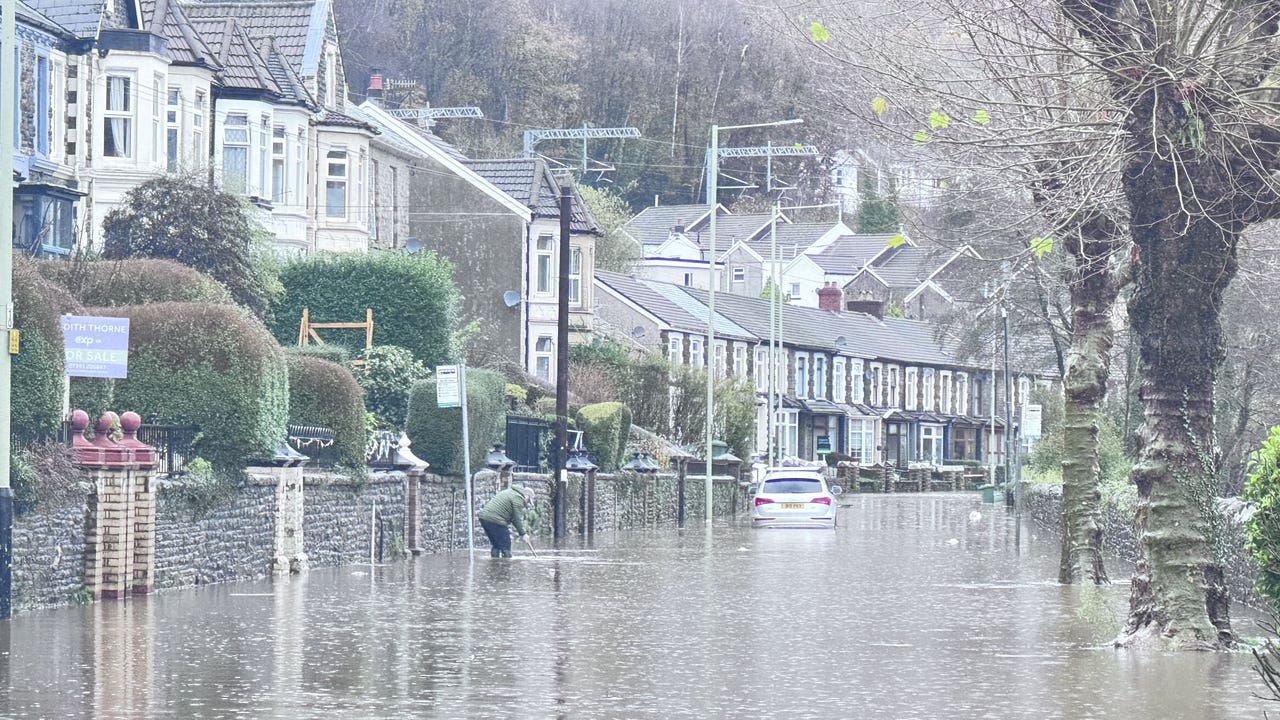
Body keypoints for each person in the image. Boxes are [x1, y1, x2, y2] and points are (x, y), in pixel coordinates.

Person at [477, 484, 535, 558]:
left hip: (484, 518)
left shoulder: (511, 492)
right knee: (506, 545)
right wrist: (523, 533)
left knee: (496, 545)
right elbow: (517, 518)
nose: (527, 504)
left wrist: (521, 533)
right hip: (495, 520)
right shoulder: (519, 498)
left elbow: (513, 518)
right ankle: (507, 565)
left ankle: (495, 565)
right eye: (528, 501)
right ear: (526, 496)